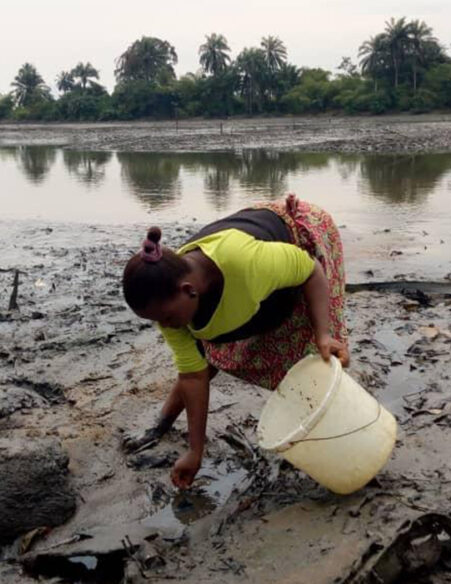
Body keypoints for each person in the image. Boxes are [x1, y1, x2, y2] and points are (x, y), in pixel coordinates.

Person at [120, 194, 348, 488]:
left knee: (318, 359)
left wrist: (323, 335)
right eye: (155, 321)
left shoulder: (247, 262)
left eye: (166, 318)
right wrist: (195, 451)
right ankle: (160, 424)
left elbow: (310, 271)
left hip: (300, 251)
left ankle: (333, 434)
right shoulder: (169, 303)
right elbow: (192, 374)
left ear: (189, 290)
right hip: (242, 288)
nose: (164, 327)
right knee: (208, 353)